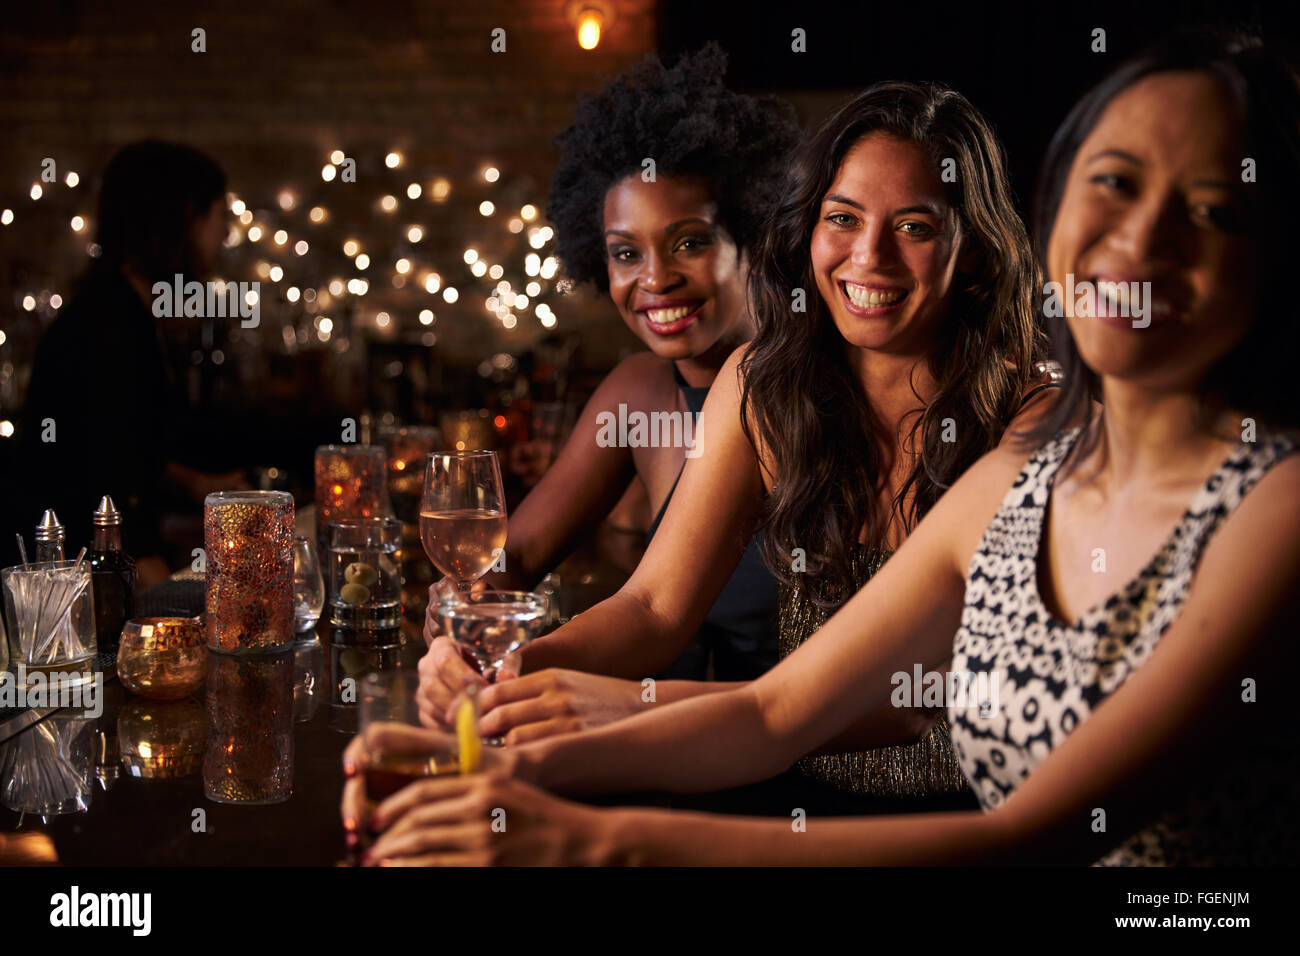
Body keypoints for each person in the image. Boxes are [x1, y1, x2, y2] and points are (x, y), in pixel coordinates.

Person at [351, 29, 1300, 865]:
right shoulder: (1033, 470)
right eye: (1116, 183)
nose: (1138, 242)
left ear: (979, 249)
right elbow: (765, 705)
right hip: (823, 805)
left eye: (1215, 211)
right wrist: (480, 744)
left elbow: (1020, 834)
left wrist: (595, 838)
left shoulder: (1238, 488)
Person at [418, 80, 1057, 815]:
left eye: (914, 226)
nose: (868, 256)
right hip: (791, 798)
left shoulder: (1033, 417)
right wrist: (509, 668)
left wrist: (634, 706)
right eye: (841, 218)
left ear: (972, 247)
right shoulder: (765, 387)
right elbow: (655, 609)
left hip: (978, 822)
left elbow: (931, 701)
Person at [426, 44, 801, 682]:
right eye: (626, 253)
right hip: (670, 749)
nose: (655, 280)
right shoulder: (639, 394)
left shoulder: (813, 380)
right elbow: (517, 553)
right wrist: (467, 598)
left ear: (754, 235)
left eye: (690, 242)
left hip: (804, 752)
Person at [18, 141, 250, 587]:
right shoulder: (108, 328)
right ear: (182, 219)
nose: (225, 233)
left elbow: (124, 445)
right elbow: (97, 474)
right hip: (75, 587)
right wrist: (161, 588)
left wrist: (196, 483)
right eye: (220, 215)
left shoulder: (123, 310)